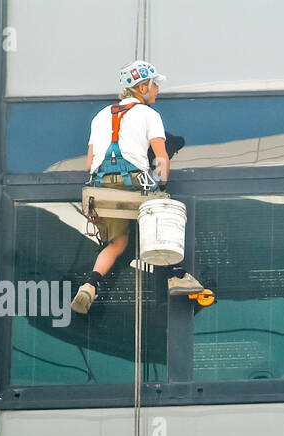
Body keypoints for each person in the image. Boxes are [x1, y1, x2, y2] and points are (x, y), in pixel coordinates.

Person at [71, 59, 203, 314]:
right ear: (141, 88)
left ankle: (89, 285)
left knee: (117, 244)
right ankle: (176, 276)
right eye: (154, 85)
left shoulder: (99, 117)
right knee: (161, 215)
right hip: (134, 183)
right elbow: (161, 158)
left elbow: (89, 163)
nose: (157, 90)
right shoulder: (149, 115)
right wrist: (161, 187)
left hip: (101, 189)